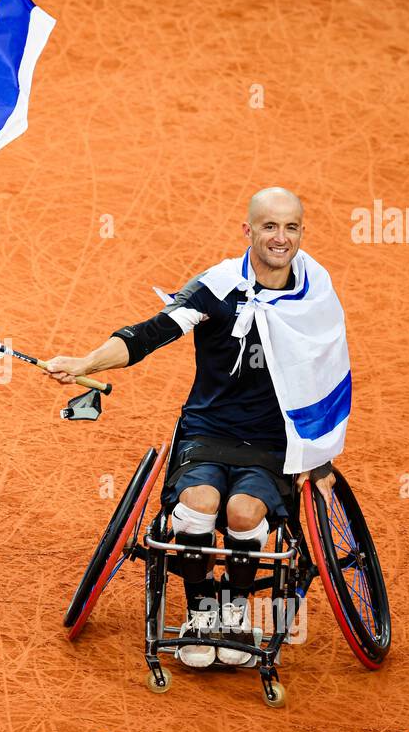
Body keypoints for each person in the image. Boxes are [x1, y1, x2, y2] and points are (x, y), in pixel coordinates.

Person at [44, 188, 349, 668]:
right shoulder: (218, 286)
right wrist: (88, 361)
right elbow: (149, 334)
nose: (281, 238)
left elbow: (325, 376)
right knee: (198, 506)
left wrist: (320, 457)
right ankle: (203, 609)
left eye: (291, 227)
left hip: (272, 442)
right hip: (207, 433)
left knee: (245, 514)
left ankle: (233, 610)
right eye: (269, 226)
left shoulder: (315, 294)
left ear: (302, 233)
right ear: (248, 231)